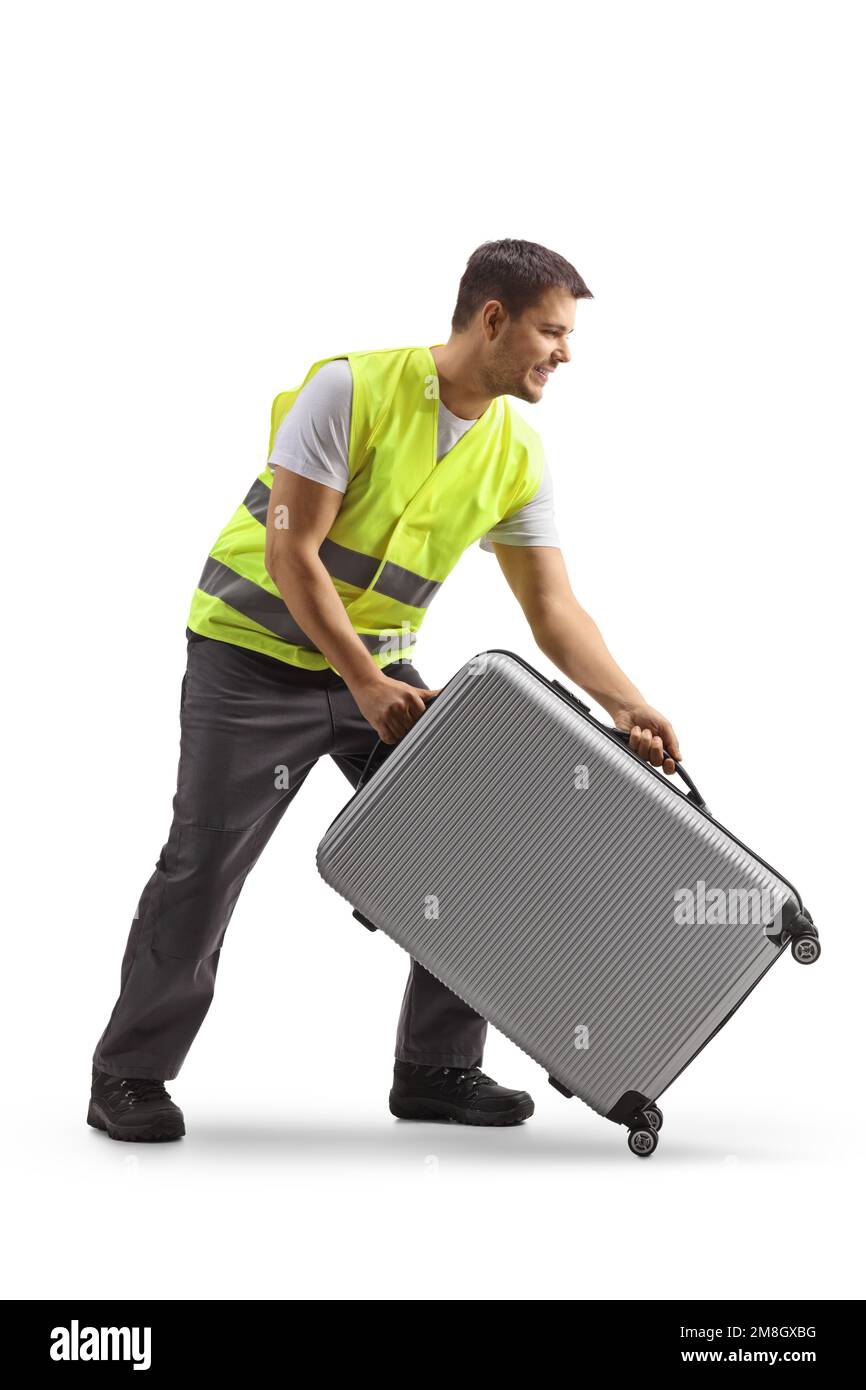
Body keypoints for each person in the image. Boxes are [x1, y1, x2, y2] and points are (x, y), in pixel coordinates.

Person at [89, 238, 681, 1142]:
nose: (565, 353)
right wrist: (363, 680)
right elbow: (292, 552)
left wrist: (628, 702)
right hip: (250, 662)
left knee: (474, 850)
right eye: (553, 332)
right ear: (494, 318)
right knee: (204, 866)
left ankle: (437, 1069)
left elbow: (553, 607)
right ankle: (126, 1076)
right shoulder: (349, 390)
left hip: (378, 672)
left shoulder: (517, 452)